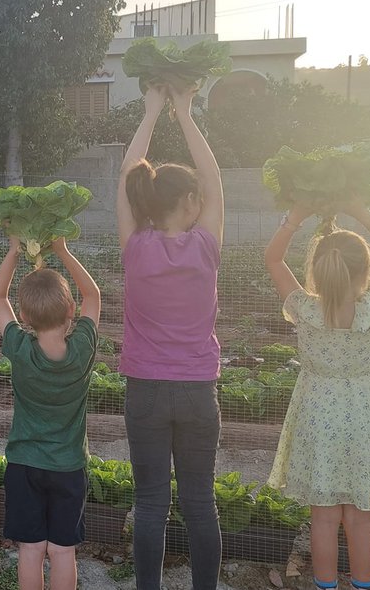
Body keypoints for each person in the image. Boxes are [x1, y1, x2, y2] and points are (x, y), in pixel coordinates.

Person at [264, 203, 370, 590]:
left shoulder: (304, 308)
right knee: (360, 518)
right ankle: (363, 586)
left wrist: (295, 215)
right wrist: (361, 211)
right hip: (363, 415)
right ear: (365, 271)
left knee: (324, 519)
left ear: (317, 270)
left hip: (318, 415)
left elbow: (273, 258)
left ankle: (324, 586)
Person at [115, 84, 226, 590]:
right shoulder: (206, 245)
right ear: (188, 201)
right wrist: (183, 112)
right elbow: (215, 176)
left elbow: (127, 172)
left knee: (151, 502)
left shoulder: (135, 247)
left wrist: (152, 111)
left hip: (145, 390)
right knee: (200, 502)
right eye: (197, 198)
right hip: (199, 390)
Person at [0, 237, 101, 590]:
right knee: (64, 551)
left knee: (31, 548)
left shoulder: (20, 349)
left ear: (24, 317)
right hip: (68, 467)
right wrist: (64, 250)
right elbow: (94, 297)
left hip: (25, 466)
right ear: (71, 311)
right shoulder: (82, 348)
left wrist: (12, 251)